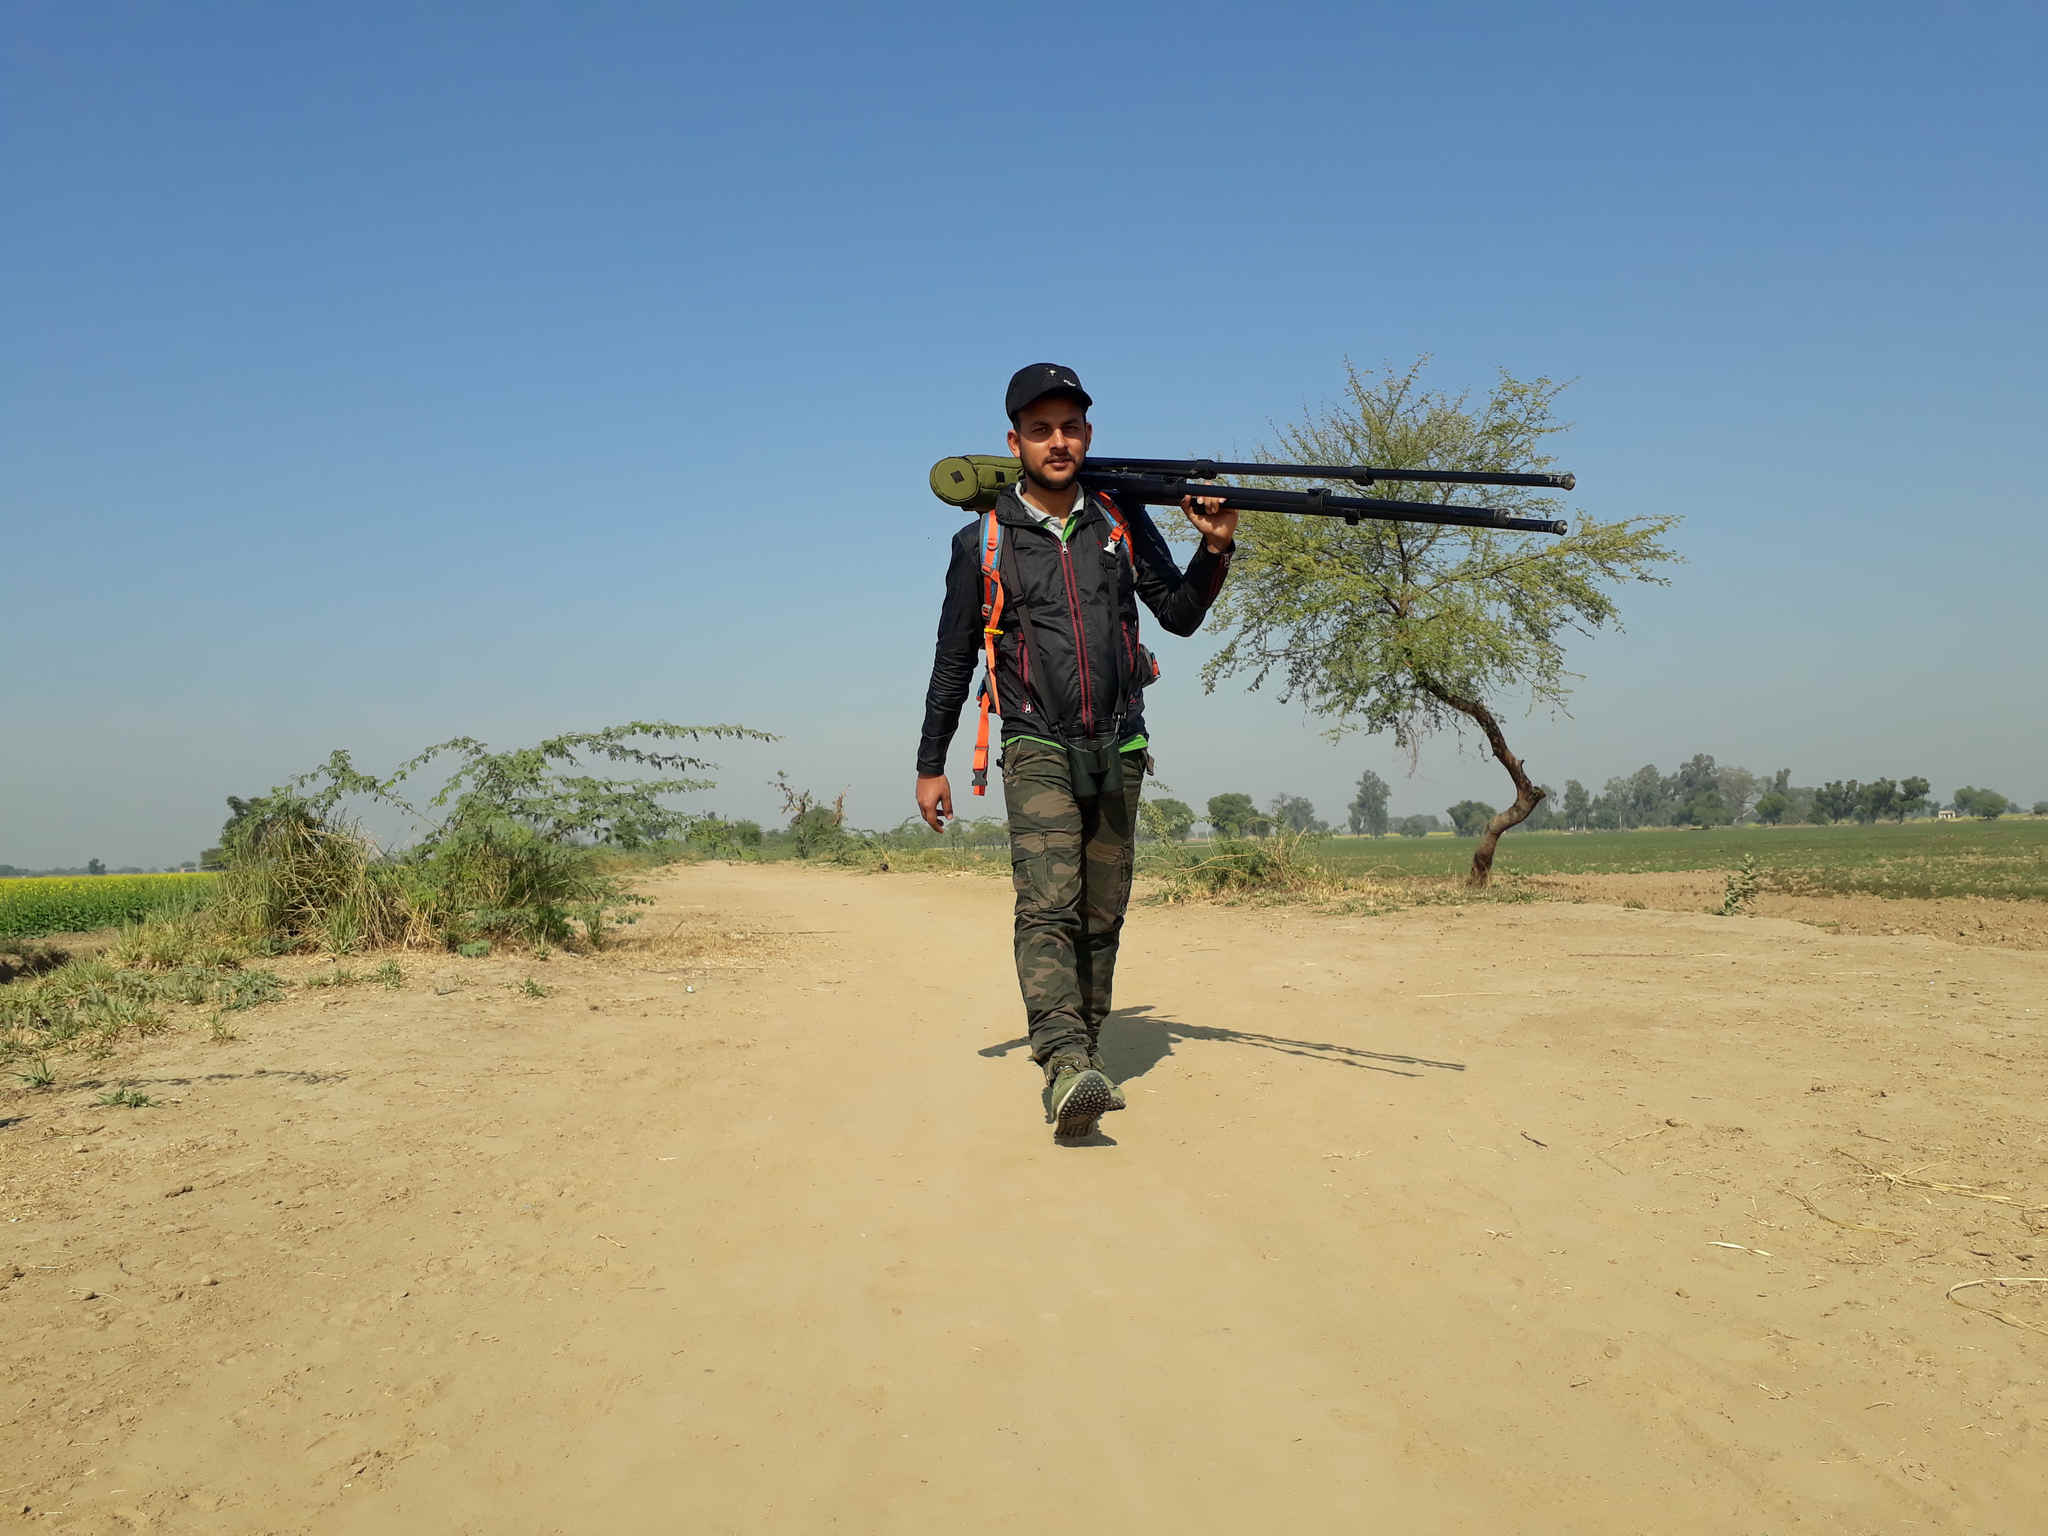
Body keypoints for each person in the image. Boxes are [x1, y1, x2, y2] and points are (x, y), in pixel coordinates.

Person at [915, 364, 1238, 1138]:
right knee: (1047, 904)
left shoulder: (1119, 521)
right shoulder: (982, 542)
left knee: (1101, 912)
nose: (1057, 442)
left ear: (1088, 434)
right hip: (1035, 740)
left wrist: (1216, 549)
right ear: (1014, 442)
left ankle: (1081, 1060)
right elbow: (952, 661)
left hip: (1119, 740)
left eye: (1069, 427)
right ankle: (1063, 1060)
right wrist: (931, 763)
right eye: (1040, 430)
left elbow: (1178, 614)